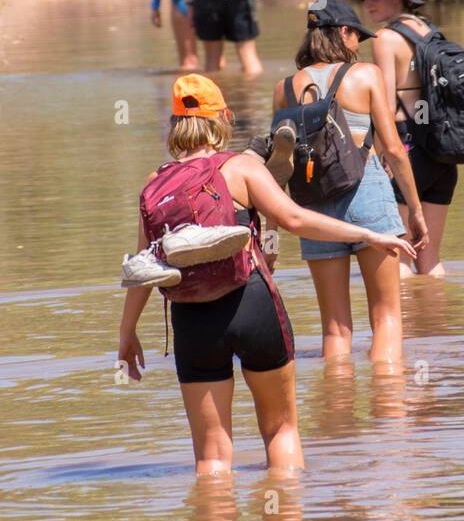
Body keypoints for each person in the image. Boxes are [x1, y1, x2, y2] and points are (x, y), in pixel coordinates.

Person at [117, 74, 416, 476]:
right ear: (223, 118)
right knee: (280, 432)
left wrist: (127, 333)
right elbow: (294, 218)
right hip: (251, 303)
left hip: (192, 318)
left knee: (211, 458)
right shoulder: (239, 168)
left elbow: (145, 264)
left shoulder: (156, 184)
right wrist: (367, 234)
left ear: (175, 125)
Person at [270, 1, 429, 365]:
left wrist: (271, 229)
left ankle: (337, 413)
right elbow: (393, 149)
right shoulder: (366, 75)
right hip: (367, 194)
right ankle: (391, 413)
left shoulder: (283, 89)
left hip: (313, 207)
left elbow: (279, 165)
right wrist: (415, 209)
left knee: (335, 328)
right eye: (356, 35)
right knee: (387, 317)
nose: (358, 44)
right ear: (342, 32)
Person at [343, 0, 452, 278]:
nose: (368, 4)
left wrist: (376, 156)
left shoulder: (384, 37)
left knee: (398, 258)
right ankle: (437, 322)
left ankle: (402, 327)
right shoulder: (431, 31)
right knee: (430, 261)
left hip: (407, 149)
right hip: (440, 153)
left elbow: (385, 104)